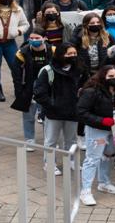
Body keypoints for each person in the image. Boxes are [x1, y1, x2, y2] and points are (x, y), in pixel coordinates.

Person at [75, 64, 115, 206]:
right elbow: (81, 112)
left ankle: (104, 182)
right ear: (103, 76)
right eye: (111, 76)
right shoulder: (92, 91)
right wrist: (102, 120)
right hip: (98, 130)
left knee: (108, 155)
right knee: (93, 159)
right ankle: (85, 191)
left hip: (114, 129)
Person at [32, 44, 83, 178]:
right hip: (53, 113)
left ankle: (71, 161)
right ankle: (49, 163)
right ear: (60, 55)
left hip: (72, 112)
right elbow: (39, 92)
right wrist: (52, 105)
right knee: (51, 140)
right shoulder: (48, 71)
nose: (73, 56)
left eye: (74, 53)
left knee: (71, 140)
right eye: (69, 54)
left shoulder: (79, 70)